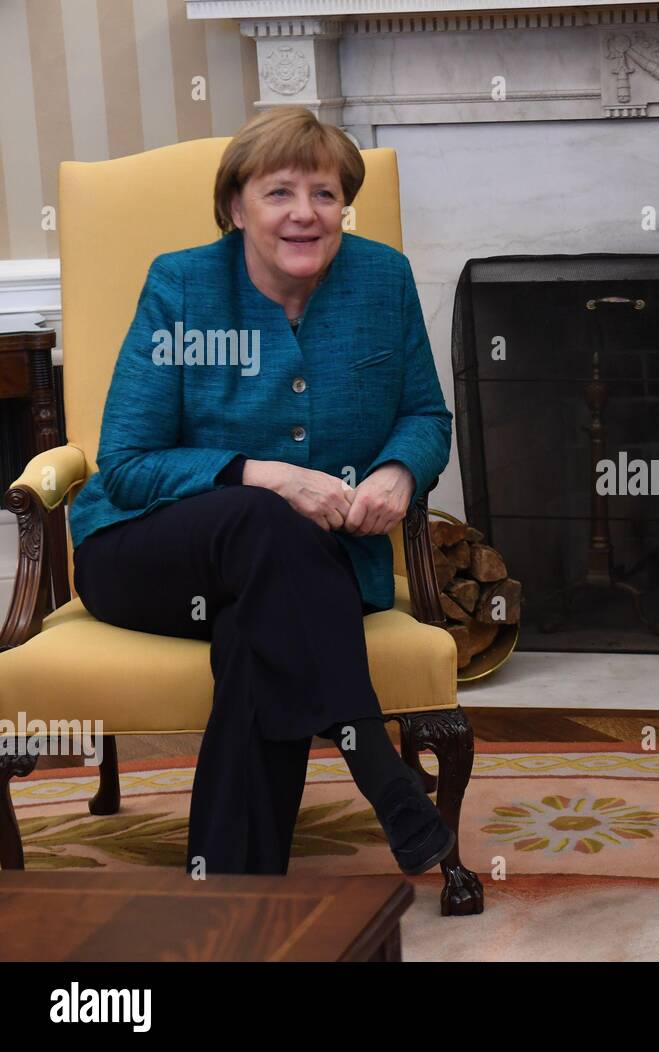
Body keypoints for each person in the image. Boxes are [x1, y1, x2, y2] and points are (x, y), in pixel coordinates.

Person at [67, 106, 457, 877]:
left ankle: (234, 897)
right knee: (258, 515)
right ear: (235, 206)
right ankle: (381, 771)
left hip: (303, 575)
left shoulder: (383, 278)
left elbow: (424, 414)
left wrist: (400, 471)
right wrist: (264, 474)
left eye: (324, 193)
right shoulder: (181, 286)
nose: (305, 214)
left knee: (263, 627)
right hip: (145, 555)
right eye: (279, 193)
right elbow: (128, 464)